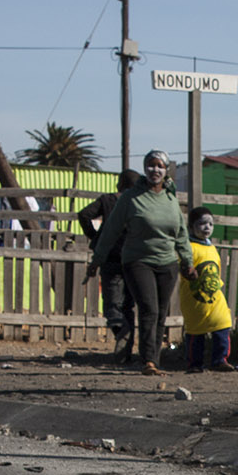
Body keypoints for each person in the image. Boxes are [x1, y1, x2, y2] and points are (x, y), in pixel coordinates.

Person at [90, 150, 193, 374]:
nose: (155, 170)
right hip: (138, 260)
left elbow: (181, 233)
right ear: (145, 169)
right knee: (149, 308)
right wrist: (97, 259)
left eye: (160, 166)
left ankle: (154, 359)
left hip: (167, 262)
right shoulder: (131, 198)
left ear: (166, 171)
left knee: (161, 312)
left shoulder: (170, 199)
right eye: (150, 165)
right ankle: (148, 360)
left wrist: (187, 261)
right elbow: (111, 230)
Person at [77, 169, 140, 362]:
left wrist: (96, 237)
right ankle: (125, 353)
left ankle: (121, 329)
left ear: (119, 184)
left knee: (113, 304)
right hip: (133, 257)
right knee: (128, 305)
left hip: (110, 256)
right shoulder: (138, 203)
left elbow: (84, 215)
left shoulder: (108, 200)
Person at [179, 208, 234, 374]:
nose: (207, 228)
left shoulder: (212, 248)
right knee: (196, 331)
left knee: (223, 323)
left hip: (215, 297)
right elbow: (182, 266)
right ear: (191, 226)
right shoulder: (188, 248)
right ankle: (195, 364)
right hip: (195, 299)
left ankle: (220, 360)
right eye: (201, 224)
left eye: (210, 224)